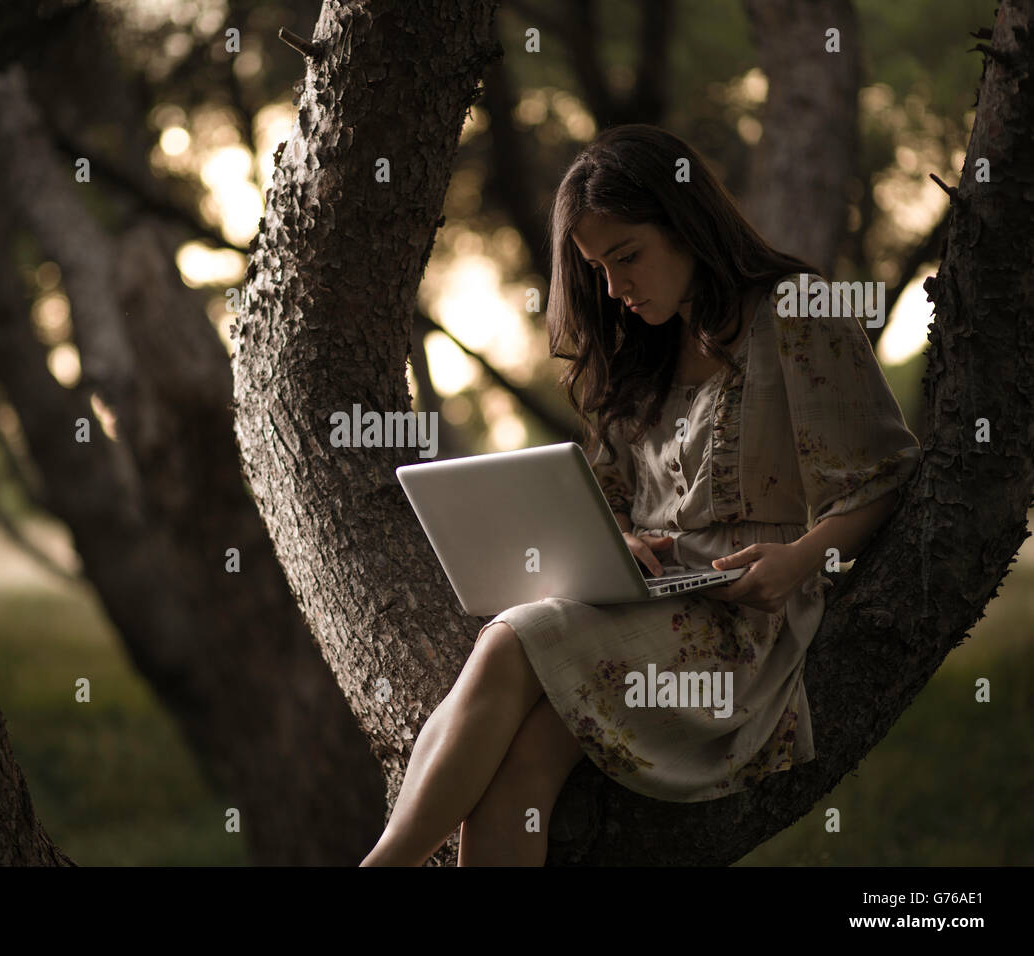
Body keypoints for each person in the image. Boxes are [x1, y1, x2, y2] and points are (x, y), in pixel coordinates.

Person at [360, 124, 922, 867]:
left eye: (628, 257)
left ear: (688, 225)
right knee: (518, 773)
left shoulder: (797, 313)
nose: (617, 288)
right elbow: (611, 498)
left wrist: (799, 560)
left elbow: (882, 476)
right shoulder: (644, 352)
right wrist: (617, 543)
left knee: (509, 638)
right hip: (642, 607)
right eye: (598, 268)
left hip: (740, 627)